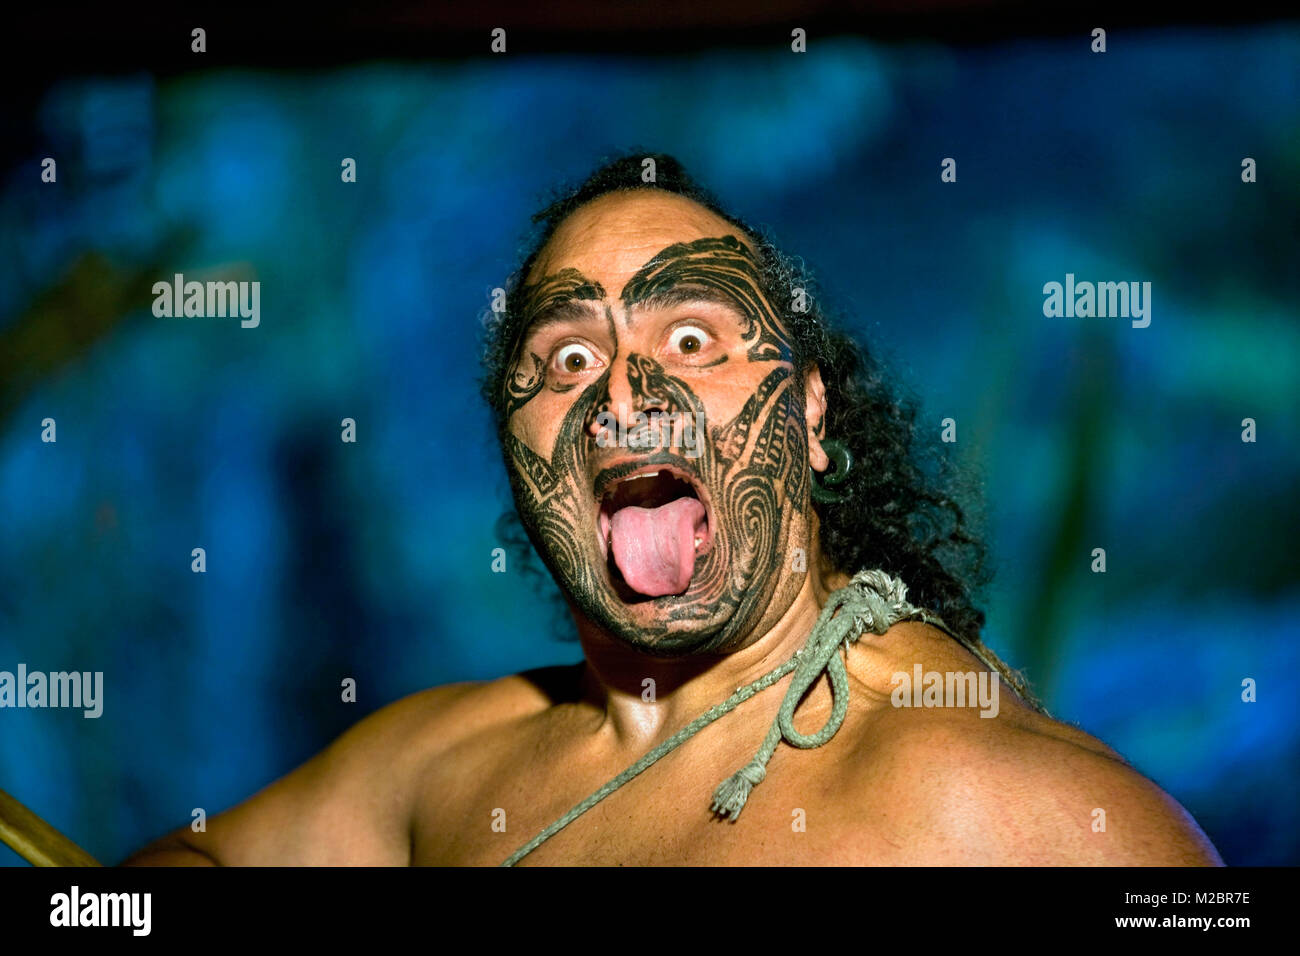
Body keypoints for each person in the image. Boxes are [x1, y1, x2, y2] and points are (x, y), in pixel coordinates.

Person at [123, 154, 1222, 866]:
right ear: (516, 459)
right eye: (563, 357)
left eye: (689, 339)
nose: (621, 391)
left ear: (804, 415)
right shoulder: (445, 761)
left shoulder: (988, 803)